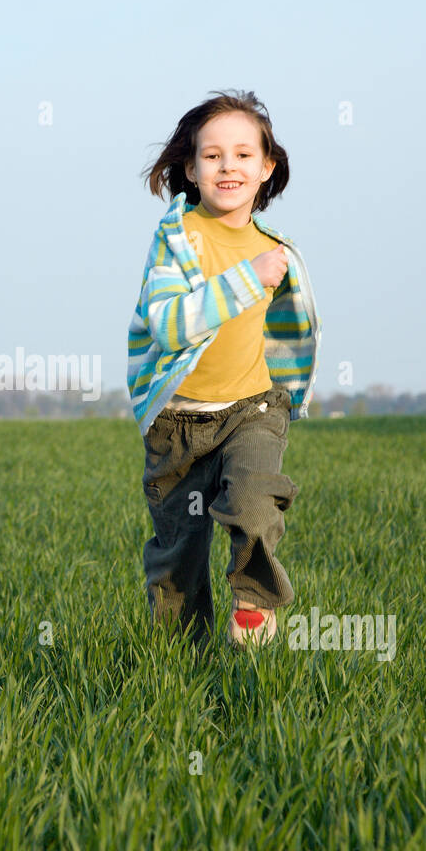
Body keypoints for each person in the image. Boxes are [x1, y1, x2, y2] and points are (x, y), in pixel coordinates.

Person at [126, 89, 321, 650]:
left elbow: (297, 328)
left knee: (256, 501)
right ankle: (181, 668)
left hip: (252, 409)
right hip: (177, 425)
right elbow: (166, 323)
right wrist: (244, 281)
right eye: (212, 156)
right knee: (178, 560)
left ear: (267, 167)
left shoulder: (279, 252)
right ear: (190, 168)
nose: (227, 166)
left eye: (242, 154)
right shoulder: (176, 240)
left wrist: (291, 391)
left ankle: (255, 602)